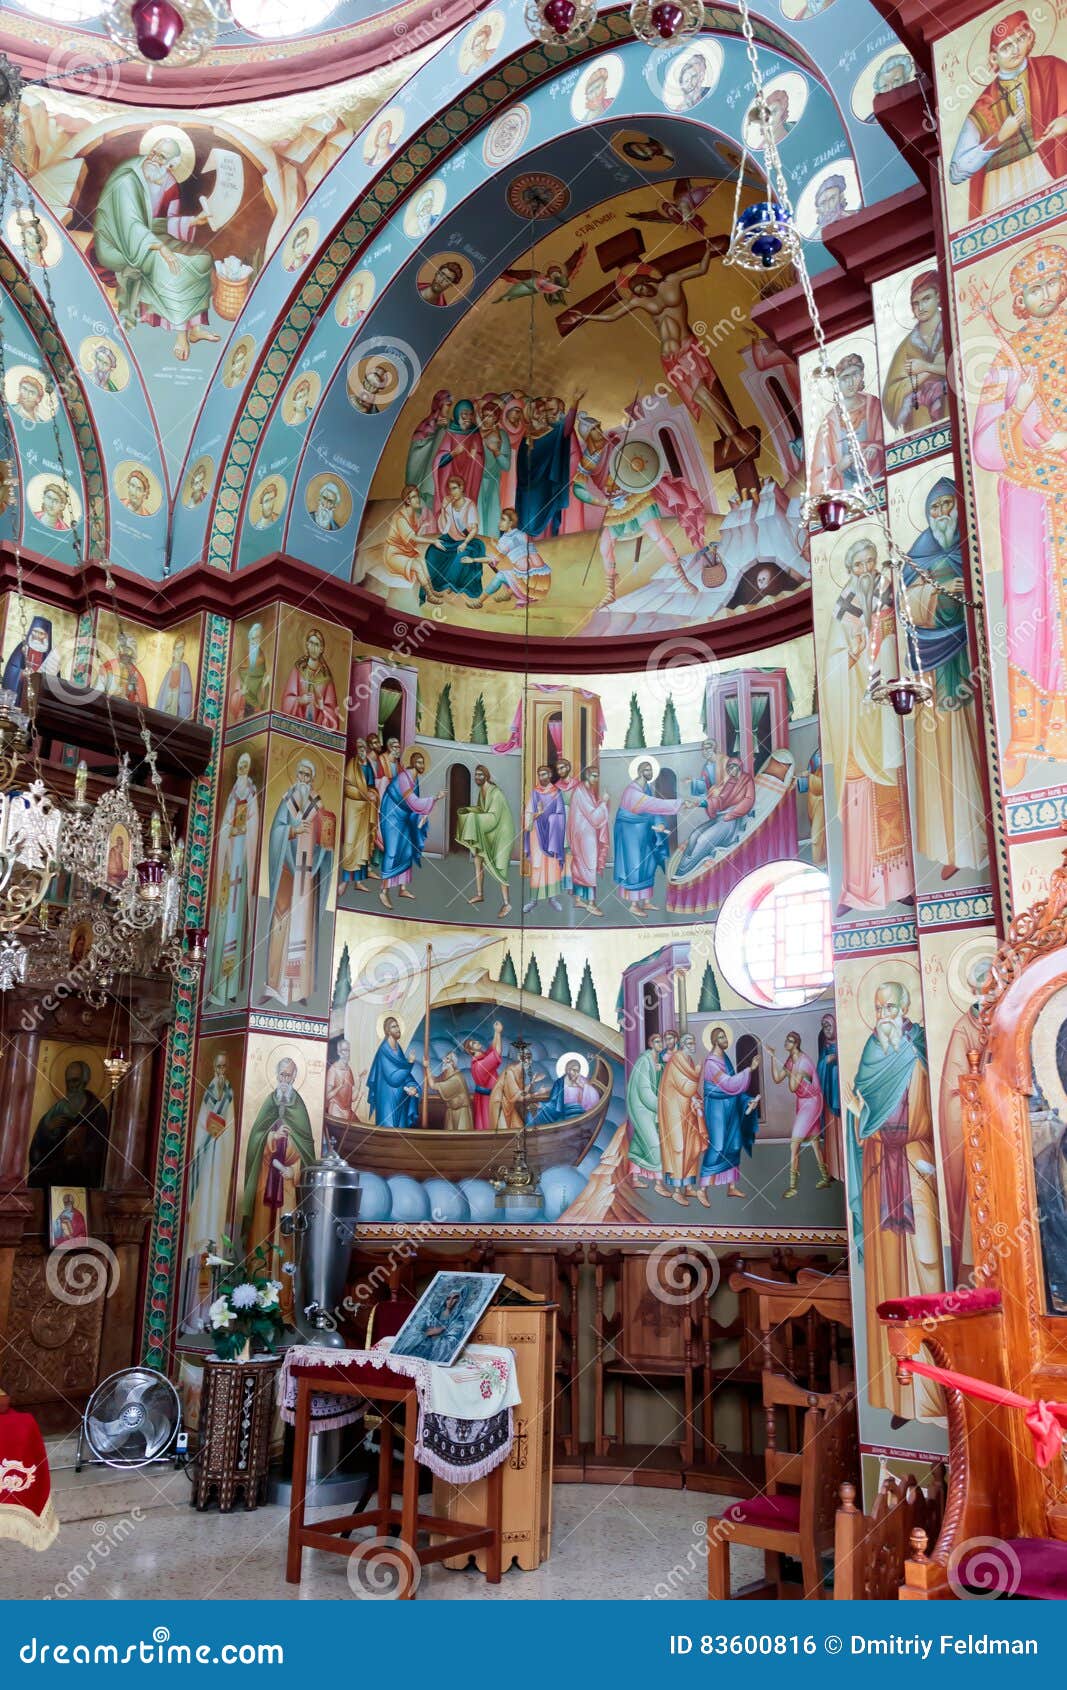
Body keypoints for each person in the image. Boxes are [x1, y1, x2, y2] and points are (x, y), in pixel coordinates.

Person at [972, 240, 1067, 784]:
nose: (1046, 294)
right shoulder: (1008, 361)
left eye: (1053, 280)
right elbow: (984, 447)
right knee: (1029, 608)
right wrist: (1027, 429)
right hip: (1028, 501)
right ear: (1020, 301)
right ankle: (1028, 735)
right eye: (1033, 287)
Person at [845, 981, 942, 1423]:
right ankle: (898, 1396)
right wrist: (857, 1119)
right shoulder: (869, 1055)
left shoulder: (917, 1056)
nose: (884, 1016)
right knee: (885, 1282)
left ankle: (934, 1395)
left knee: (926, 1271)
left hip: (916, 1172)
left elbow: (926, 1116)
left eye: (891, 1008)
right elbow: (862, 1115)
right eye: (879, 1008)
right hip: (881, 1176)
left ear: (905, 1012)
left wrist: (914, 1149)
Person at [559, 252, 757, 458]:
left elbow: (700, 269)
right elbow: (611, 315)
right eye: (635, 291)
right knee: (699, 397)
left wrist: (707, 251)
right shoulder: (640, 302)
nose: (640, 292)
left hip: (687, 348)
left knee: (706, 393)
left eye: (641, 286)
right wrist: (584, 316)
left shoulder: (671, 282)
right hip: (669, 357)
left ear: (647, 278)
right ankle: (729, 435)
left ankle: (733, 435)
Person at [822, 534, 914, 913]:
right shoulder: (844, 606)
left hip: (888, 714)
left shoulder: (890, 595)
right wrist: (852, 653)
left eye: (870, 563)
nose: (865, 571)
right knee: (858, 796)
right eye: (858, 566)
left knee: (893, 793)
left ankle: (901, 884)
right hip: (857, 717)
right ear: (849, 570)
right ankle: (857, 888)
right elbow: (831, 665)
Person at [902, 477, 986, 878]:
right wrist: (938, 593)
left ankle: (987, 836)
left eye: (946, 506)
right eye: (934, 508)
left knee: (977, 745)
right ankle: (953, 846)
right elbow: (907, 607)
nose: (941, 515)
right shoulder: (918, 553)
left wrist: (961, 586)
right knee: (941, 760)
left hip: (973, 663)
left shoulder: (975, 540)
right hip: (934, 669)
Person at [92, 131, 219, 361]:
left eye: (162, 158)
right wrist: (160, 248)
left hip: (150, 236)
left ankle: (196, 328)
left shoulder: (168, 183)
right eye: (154, 153)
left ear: (172, 165)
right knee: (171, 266)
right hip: (118, 243)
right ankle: (181, 333)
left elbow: (161, 225)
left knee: (202, 258)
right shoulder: (128, 179)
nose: (154, 159)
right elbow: (130, 225)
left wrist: (192, 221)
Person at [948, 10, 1067, 221]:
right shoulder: (984, 105)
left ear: (1029, 37)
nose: (1015, 50)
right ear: (993, 57)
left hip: (1050, 172)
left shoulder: (1052, 68)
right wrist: (1000, 137)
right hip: (1000, 189)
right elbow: (956, 172)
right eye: (1005, 47)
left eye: (1020, 39)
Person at [241, 1056, 315, 1323]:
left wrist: (292, 1171)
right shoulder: (268, 1104)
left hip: (287, 1189)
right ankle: (255, 1303)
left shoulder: (300, 1108)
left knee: (286, 1242)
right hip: (265, 1187)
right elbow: (254, 1142)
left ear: (295, 1077)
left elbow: (307, 1153)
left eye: (289, 1076)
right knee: (261, 1237)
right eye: (282, 1075)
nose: (285, 1080)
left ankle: (284, 1308)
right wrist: (271, 1139)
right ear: (276, 1075)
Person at [938, 955, 992, 1286]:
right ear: (974, 988)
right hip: (981, 1137)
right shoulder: (964, 1029)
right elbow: (951, 1096)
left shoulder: (1010, 1016)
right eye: (986, 983)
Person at [264, 757, 335, 1007]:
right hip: (287, 873)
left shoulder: (318, 805)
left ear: (313, 778)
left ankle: (300, 989)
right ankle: (274, 984)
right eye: (301, 774)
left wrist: (325, 844)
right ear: (296, 775)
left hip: (308, 876)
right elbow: (276, 833)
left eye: (308, 775)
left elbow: (325, 840)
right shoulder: (288, 801)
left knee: (305, 929)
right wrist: (292, 831)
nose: (304, 778)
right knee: (281, 923)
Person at [181, 1051, 235, 1330]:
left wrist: (222, 1136)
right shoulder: (208, 1094)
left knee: (213, 1251)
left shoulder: (230, 1096)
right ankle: (191, 1315)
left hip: (219, 1173)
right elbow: (203, 1127)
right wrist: (210, 1135)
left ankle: (208, 1315)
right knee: (198, 1248)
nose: (221, 1071)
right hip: (205, 1172)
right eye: (218, 1066)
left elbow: (232, 1130)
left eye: (224, 1067)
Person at [206, 751, 259, 1006]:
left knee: (236, 924)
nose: (242, 769)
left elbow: (255, 824)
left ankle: (231, 988)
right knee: (225, 919)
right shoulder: (232, 795)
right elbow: (226, 823)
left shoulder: (251, 793)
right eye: (240, 765)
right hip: (230, 862)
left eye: (246, 766)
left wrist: (244, 833)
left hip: (242, 862)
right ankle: (218, 984)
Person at [613, 758, 688, 915]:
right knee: (635, 867)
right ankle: (634, 904)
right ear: (640, 772)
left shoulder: (645, 789)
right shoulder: (631, 791)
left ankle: (646, 901)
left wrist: (659, 823)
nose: (650, 773)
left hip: (645, 833)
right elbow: (651, 804)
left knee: (649, 864)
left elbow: (652, 811)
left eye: (651, 770)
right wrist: (679, 803)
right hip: (631, 835)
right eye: (647, 770)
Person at [880, 271, 948, 432]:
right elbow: (891, 393)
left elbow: (963, 364)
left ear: (938, 296)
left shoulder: (952, 327)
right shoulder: (907, 346)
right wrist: (927, 373)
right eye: (915, 303)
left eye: (926, 299)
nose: (921, 308)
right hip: (921, 421)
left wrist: (925, 367)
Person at [27, 1060, 110, 1190]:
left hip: (81, 1178)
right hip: (54, 1175)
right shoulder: (60, 1107)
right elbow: (38, 1145)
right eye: (68, 1081)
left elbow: (98, 1147)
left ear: (85, 1081)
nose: (71, 1085)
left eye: (75, 1080)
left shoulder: (97, 1110)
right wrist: (48, 1129)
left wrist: (77, 1157)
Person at [809, 352, 885, 493]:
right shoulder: (829, 424)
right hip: (847, 491)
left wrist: (875, 447)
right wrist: (838, 467)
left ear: (862, 375)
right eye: (845, 378)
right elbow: (815, 481)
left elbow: (890, 437)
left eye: (855, 374)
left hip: (878, 480)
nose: (851, 383)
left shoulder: (874, 405)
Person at [698, 1027, 759, 1201]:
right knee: (717, 1145)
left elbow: (734, 1090)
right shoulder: (711, 1063)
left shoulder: (725, 1059)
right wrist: (749, 1070)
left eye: (725, 1036)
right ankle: (702, 1189)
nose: (726, 1040)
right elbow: (728, 1084)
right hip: (717, 1108)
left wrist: (747, 1101)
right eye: (722, 1037)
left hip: (730, 1107)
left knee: (733, 1144)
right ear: (715, 1040)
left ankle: (731, 1186)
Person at [769, 1033, 832, 1198]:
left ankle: (792, 1186)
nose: (785, 1042)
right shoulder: (791, 1060)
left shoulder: (803, 1061)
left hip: (812, 1102)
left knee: (794, 1144)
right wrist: (772, 1057)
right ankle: (825, 1178)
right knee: (815, 1142)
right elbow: (776, 1078)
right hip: (803, 1102)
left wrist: (791, 1073)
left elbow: (792, 1087)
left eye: (788, 1040)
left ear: (795, 1043)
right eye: (786, 1039)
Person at [672, 756, 756, 876]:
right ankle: (683, 868)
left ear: (739, 767)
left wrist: (731, 815)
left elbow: (748, 800)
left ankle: (685, 871)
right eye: (729, 767)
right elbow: (719, 800)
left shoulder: (747, 780)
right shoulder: (730, 783)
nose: (731, 769)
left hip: (733, 820)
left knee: (703, 840)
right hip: (722, 816)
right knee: (694, 835)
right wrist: (696, 804)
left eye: (734, 767)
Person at [378, 747, 440, 909]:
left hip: (404, 816)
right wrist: (434, 799)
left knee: (406, 849)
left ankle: (402, 888)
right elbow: (413, 802)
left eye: (423, 762)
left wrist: (421, 816)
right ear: (413, 763)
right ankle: (383, 891)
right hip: (392, 814)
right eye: (419, 762)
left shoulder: (415, 779)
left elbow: (415, 805)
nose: (422, 765)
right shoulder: (404, 778)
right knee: (392, 851)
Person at [456, 763, 515, 917]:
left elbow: (494, 818)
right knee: (477, 858)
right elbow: (482, 811)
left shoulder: (496, 793)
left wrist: (473, 817)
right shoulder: (481, 792)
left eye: (481, 775)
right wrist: (470, 811)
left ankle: (507, 904)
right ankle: (480, 894)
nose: (478, 777)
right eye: (476, 775)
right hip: (488, 832)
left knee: (500, 869)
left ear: (487, 776)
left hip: (501, 833)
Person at [656, 1030, 707, 1205]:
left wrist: (696, 1101)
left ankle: (689, 1187)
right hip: (675, 1113)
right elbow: (685, 1087)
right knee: (679, 1148)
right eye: (691, 1043)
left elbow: (689, 1090)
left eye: (693, 1042)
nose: (693, 1046)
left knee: (692, 1146)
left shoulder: (688, 1060)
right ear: (683, 1045)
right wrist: (698, 1073)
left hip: (686, 1111)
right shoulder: (677, 1060)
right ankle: (677, 1190)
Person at [424, 476, 486, 602]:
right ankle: (440, 582)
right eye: (450, 489)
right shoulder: (448, 503)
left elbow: (474, 529)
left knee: (461, 556)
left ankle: (452, 585)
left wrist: (464, 543)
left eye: (455, 488)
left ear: (462, 488)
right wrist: (444, 508)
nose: (452, 492)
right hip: (450, 539)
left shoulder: (469, 505)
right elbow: (444, 527)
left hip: (466, 541)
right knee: (432, 550)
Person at [481, 507, 552, 607]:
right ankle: (510, 593)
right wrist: (496, 546)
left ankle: (479, 601)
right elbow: (514, 548)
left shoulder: (506, 540)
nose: (499, 522)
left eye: (503, 519)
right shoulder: (522, 534)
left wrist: (474, 559)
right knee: (511, 572)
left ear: (510, 523)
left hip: (530, 586)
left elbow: (498, 557)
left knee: (501, 575)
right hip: (542, 584)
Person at [522, 765, 566, 913]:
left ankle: (553, 898)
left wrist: (552, 821)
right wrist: (537, 814)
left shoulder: (556, 793)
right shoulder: (535, 793)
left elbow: (561, 815)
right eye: (539, 775)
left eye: (544, 774)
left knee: (552, 866)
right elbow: (528, 813)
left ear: (549, 775)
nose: (541, 777)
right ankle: (533, 900)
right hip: (537, 834)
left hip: (552, 837)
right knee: (537, 866)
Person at [280, 628, 340, 732]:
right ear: (307, 644)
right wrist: (299, 700)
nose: (313, 648)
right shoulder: (298, 670)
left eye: (317, 645)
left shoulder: (326, 677)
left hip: (317, 731)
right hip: (297, 727)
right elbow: (286, 700)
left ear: (322, 649)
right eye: (311, 643)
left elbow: (333, 712)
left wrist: (322, 708)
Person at [626, 1033, 665, 1191]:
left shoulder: (657, 1061)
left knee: (639, 1142)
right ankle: (659, 1184)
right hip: (641, 1107)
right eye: (656, 1041)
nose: (660, 1044)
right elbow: (644, 1091)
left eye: (661, 1041)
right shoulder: (644, 1061)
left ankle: (635, 1177)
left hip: (651, 1108)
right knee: (655, 1145)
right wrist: (662, 1107)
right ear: (650, 1044)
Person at [367, 1016, 420, 1129]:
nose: (398, 1029)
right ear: (387, 1031)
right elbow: (393, 1078)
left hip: (400, 1098)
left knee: (402, 1132)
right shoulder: (384, 1051)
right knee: (389, 1131)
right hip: (388, 1100)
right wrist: (410, 1063)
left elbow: (404, 1074)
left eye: (398, 1026)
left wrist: (413, 1086)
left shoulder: (398, 1048)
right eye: (394, 1027)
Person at [341, 737, 379, 892]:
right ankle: (345, 881)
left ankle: (358, 882)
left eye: (364, 747)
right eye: (360, 747)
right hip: (353, 809)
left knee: (362, 845)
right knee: (351, 845)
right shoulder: (352, 765)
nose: (362, 750)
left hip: (365, 810)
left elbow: (372, 786)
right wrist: (364, 795)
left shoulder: (368, 766)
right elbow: (347, 787)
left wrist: (373, 795)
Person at [2, 613, 59, 704]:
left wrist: (40, 679)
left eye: (41, 633)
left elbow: (54, 681)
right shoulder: (22, 646)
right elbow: (12, 668)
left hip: (37, 693)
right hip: (20, 688)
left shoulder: (50, 656)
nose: (36, 635)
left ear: (46, 636)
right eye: (35, 631)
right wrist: (21, 673)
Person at [532, 1056, 600, 1124]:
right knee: (539, 1114)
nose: (576, 1073)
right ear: (568, 1070)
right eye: (574, 1070)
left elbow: (593, 1095)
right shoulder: (560, 1082)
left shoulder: (581, 1080)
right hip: (563, 1111)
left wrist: (583, 1087)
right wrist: (543, 1103)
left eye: (578, 1071)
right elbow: (554, 1100)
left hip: (579, 1111)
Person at [463, 1024, 503, 1132]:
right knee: (490, 1126)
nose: (477, 1042)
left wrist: (496, 1032)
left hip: (490, 1097)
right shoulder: (480, 1064)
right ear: (471, 1050)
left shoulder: (483, 1057)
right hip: (488, 1100)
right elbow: (497, 1053)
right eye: (474, 1043)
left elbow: (493, 1048)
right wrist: (498, 1032)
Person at [817, 1013, 843, 1181]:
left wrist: (838, 1061)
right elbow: (819, 1070)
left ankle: (844, 1168)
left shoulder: (843, 1044)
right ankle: (833, 1169)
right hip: (829, 1101)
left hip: (841, 1099)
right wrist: (826, 1062)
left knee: (842, 1134)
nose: (826, 1030)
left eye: (829, 1026)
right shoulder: (825, 1047)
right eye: (824, 1027)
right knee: (831, 1136)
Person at [227, 621, 269, 722]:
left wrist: (264, 686)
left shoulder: (262, 662)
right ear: (249, 640)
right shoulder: (243, 665)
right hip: (242, 710)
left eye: (257, 638)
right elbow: (235, 691)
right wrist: (241, 692)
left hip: (256, 713)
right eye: (252, 638)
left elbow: (264, 687)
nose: (255, 641)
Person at [100, 631, 148, 704]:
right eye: (121, 649)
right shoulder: (108, 666)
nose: (123, 653)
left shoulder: (137, 675)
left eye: (128, 650)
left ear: (132, 653)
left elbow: (142, 706)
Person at [431, 1053, 474, 1132]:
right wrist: (426, 1068)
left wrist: (426, 1067)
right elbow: (434, 1079)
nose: (444, 1061)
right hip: (451, 1112)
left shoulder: (456, 1079)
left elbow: (433, 1085)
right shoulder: (447, 1074)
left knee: (461, 1139)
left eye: (447, 1059)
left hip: (461, 1113)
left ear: (452, 1063)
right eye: (445, 1058)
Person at [325, 1038, 364, 1126]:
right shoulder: (333, 1070)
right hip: (336, 1110)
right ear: (339, 1052)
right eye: (344, 1050)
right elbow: (328, 1096)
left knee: (360, 1128)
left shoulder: (349, 1070)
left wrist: (359, 1081)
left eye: (348, 1050)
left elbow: (353, 1098)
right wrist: (339, 1087)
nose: (347, 1054)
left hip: (348, 1112)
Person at [155, 635, 193, 717]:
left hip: (178, 709)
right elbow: (162, 695)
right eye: (178, 649)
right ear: (173, 652)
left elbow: (187, 693)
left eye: (182, 648)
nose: (180, 652)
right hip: (166, 708)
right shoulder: (169, 671)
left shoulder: (185, 668)